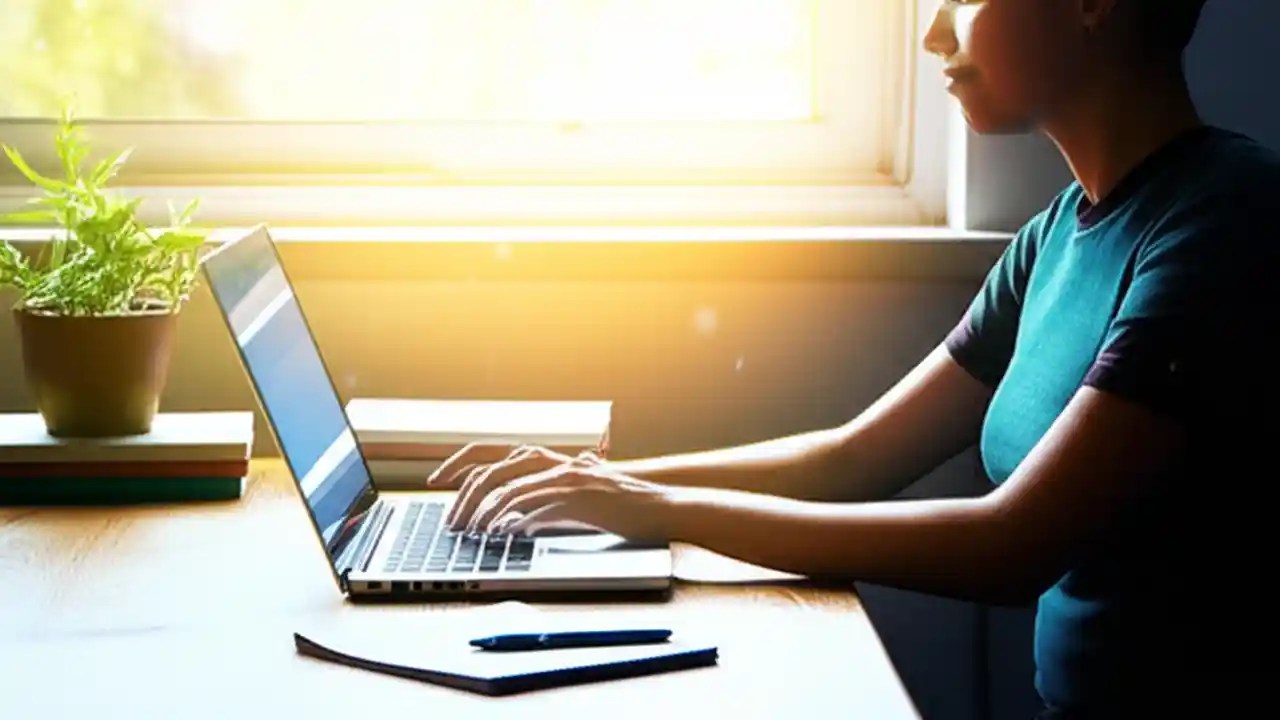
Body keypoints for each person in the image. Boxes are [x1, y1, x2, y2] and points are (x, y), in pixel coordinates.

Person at [430, 0, 1278, 715]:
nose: (935, 34)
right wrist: (601, 486)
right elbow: (853, 457)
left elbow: (1012, 544)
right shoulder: (1057, 233)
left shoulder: (1223, 224)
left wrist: (660, 510)